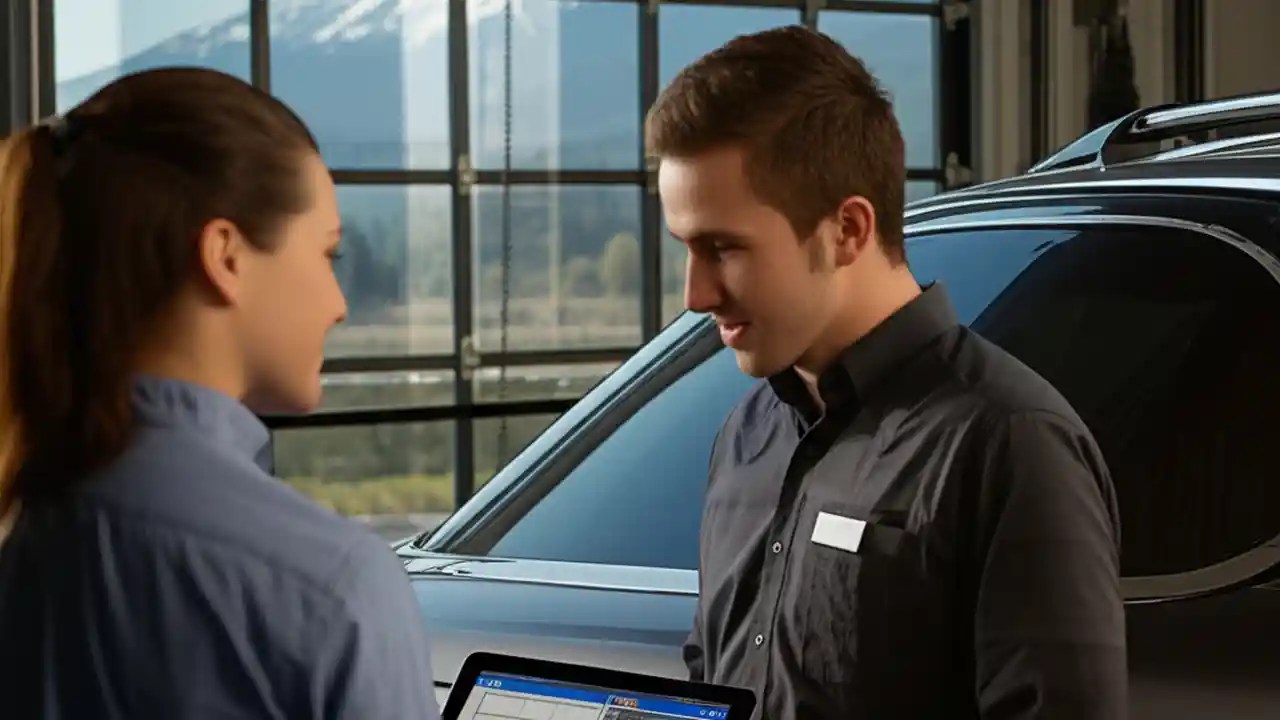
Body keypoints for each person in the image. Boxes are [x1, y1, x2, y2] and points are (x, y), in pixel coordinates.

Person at [647, 26, 1127, 719]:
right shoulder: (746, 437)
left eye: (723, 248)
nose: (695, 294)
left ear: (847, 229)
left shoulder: (1011, 446)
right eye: (685, 249)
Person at [0, 68, 440, 719]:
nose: (339, 305)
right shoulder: (333, 585)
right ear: (226, 256)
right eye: (328, 256)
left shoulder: (29, 534)